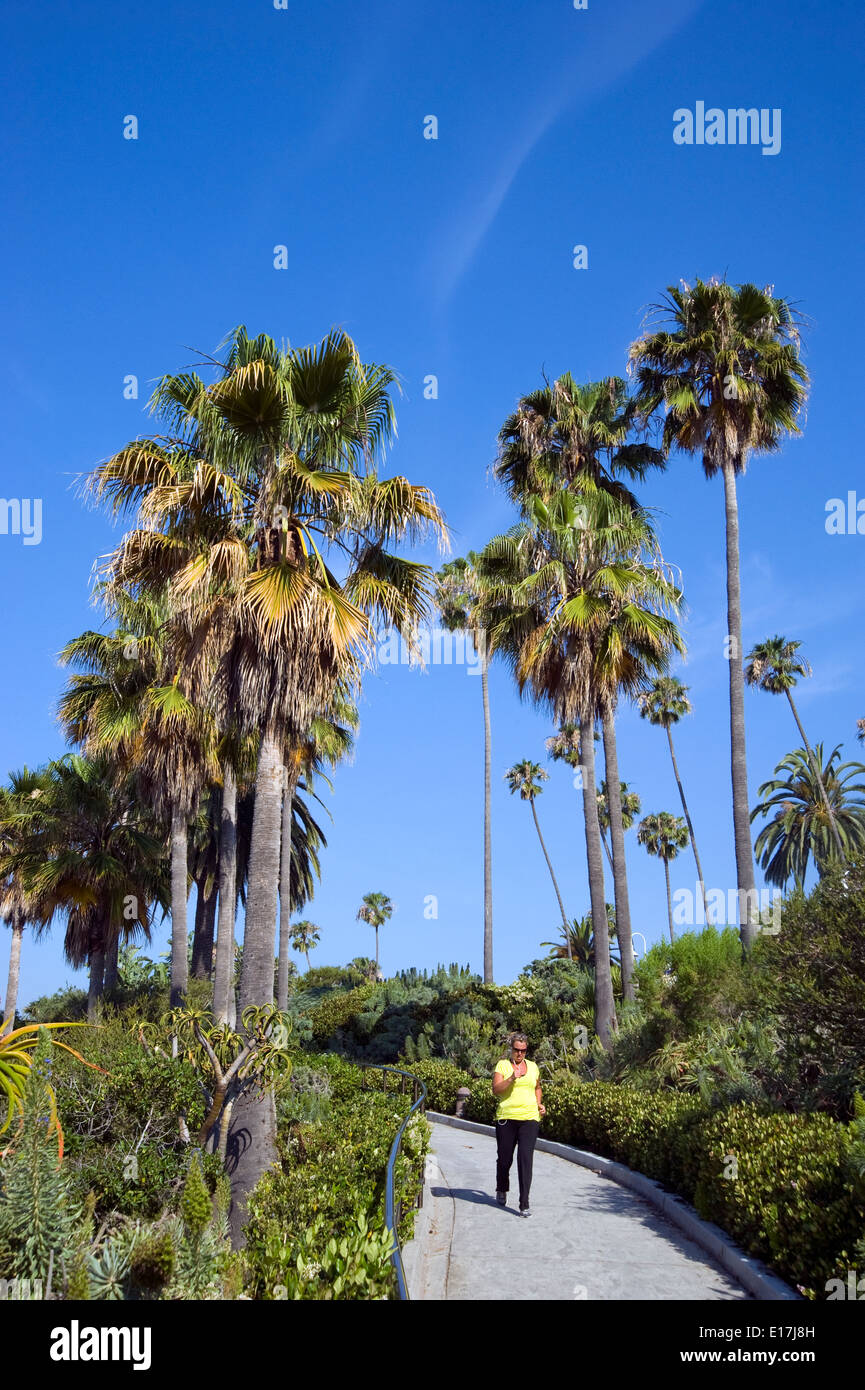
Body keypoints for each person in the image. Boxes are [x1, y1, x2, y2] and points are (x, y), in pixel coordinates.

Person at [491, 1032, 546, 1216]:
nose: (520, 1054)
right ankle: (502, 1187)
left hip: (529, 1119)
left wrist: (539, 1104)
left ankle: (524, 1204)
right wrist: (512, 1078)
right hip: (507, 1117)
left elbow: (537, 1087)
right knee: (505, 1158)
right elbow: (496, 1090)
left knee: (525, 1159)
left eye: (523, 1050)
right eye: (516, 1050)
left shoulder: (533, 1067)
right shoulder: (503, 1065)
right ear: (511, 1049)